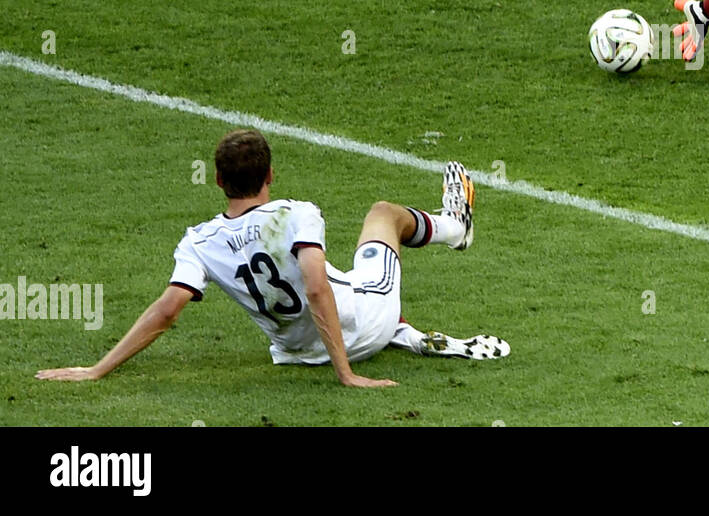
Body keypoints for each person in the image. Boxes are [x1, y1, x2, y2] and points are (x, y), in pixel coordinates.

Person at [36, 129, 507, 388]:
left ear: (218, 181)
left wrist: (96, 369)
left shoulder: (199, 241)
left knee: (329, 278)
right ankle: (454, 229)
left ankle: (399, 330)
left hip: (296, 355)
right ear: (271, 175)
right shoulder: (297, 213)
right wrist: (347, 374)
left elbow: (166, 312)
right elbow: (316, 287)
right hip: (361, 326)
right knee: (383, 216)